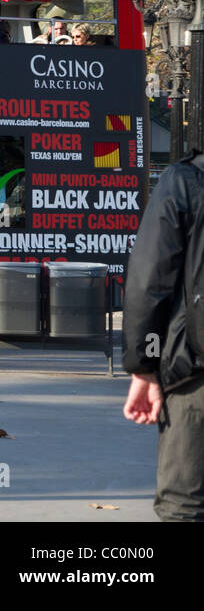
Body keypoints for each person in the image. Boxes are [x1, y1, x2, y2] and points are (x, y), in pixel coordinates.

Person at [123, 153, 204, 520]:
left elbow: (150, 285)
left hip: (195, 379)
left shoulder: (187, 181)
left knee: (184, 506)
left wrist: (146, 366)